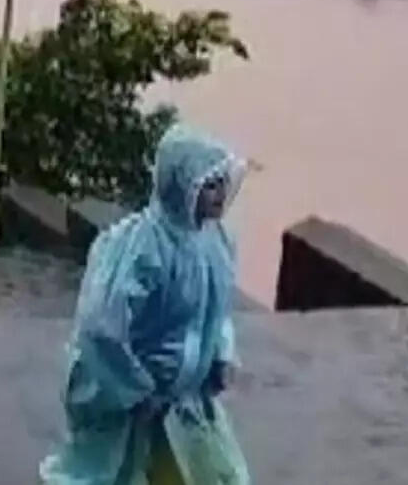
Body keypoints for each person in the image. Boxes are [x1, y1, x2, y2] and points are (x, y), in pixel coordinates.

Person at [40, 124, 251, 485]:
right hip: (136, 398)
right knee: (114, 469)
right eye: (210, 184)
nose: (220, 194)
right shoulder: (141, 246)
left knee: (210, 472)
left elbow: (216, 310)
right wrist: (135, 386)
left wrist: (222, 354)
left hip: (184, 400)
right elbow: (102, 325)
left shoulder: (215, 241)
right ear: (183, 183)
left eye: (222, 183)